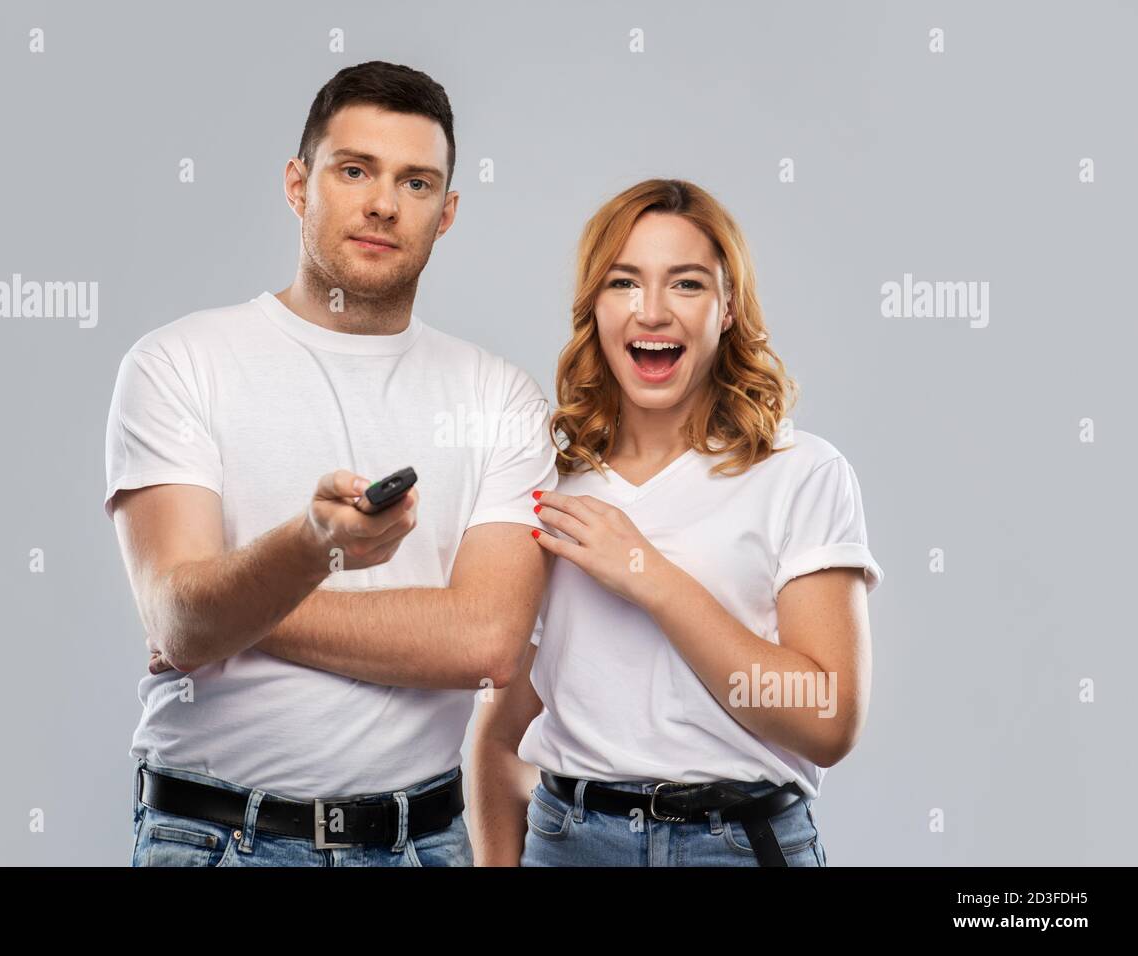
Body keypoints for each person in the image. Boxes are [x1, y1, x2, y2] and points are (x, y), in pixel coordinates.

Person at [104, 61, 556, 867]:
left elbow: (486, 641)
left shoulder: (502, 396)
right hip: (217, 839)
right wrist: (312, 546)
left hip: (423, 842)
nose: (384, 203)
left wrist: (238, 613)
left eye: (416, 183)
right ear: (297, 184)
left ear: (446, 214)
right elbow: (178, 619)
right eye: (355, 170)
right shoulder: (179, 364)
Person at [470, 179, 884, 867]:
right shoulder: (550, 481)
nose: (652, 312)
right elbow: (501, 732)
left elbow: (828, 722)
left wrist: (650, 576)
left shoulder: (800, 473)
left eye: (687, 285)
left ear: (726, 309)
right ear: (594, 308)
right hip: (570, 842)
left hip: (738, 845)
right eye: (624, 283)